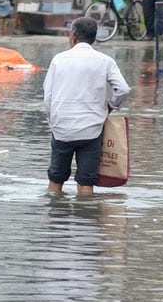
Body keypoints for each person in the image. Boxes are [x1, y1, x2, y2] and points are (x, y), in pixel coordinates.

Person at [44, 17, 131, 196]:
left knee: (56, 179)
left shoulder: (58, 60)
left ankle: (54, 221)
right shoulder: (105, 61)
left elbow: (48, 97)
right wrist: (110, 107)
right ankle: (85, 220)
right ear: (93, 38)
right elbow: (122, 89)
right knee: (86, 181)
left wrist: (52, 121)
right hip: (91, 131)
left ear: (73, 37)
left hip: (62, 129)